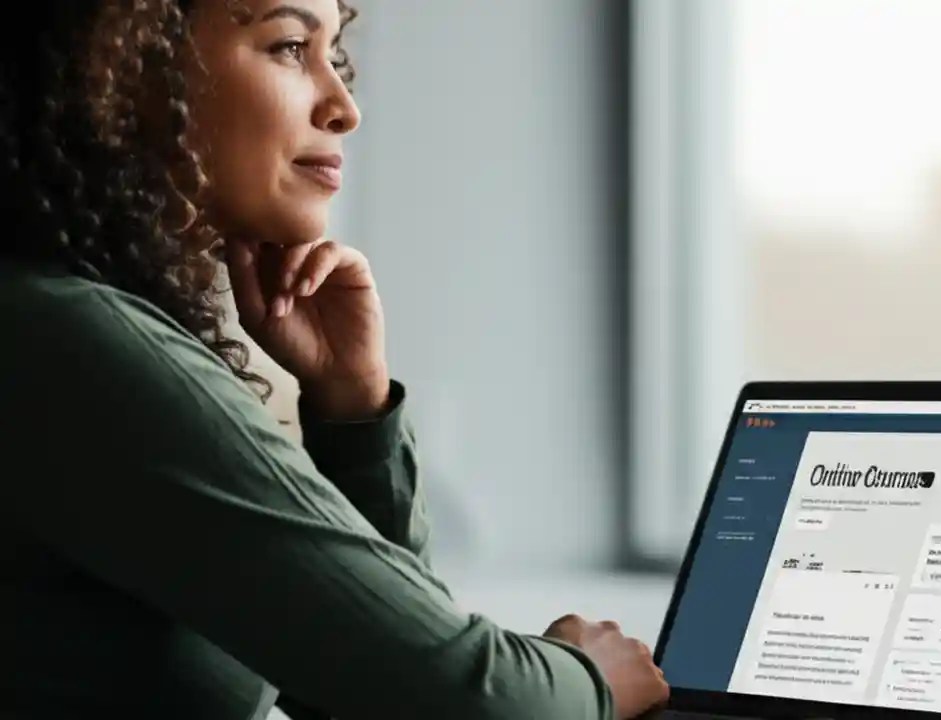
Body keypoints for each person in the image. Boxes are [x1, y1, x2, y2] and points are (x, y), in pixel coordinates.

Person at [0, 1, 669, 718]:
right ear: (125, 65)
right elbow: (474, 705)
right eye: (289, 47)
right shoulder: (71, 340)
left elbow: (362, 686)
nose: (344, 107)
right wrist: (590, 675)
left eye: (334, 52)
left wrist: (355, 409)